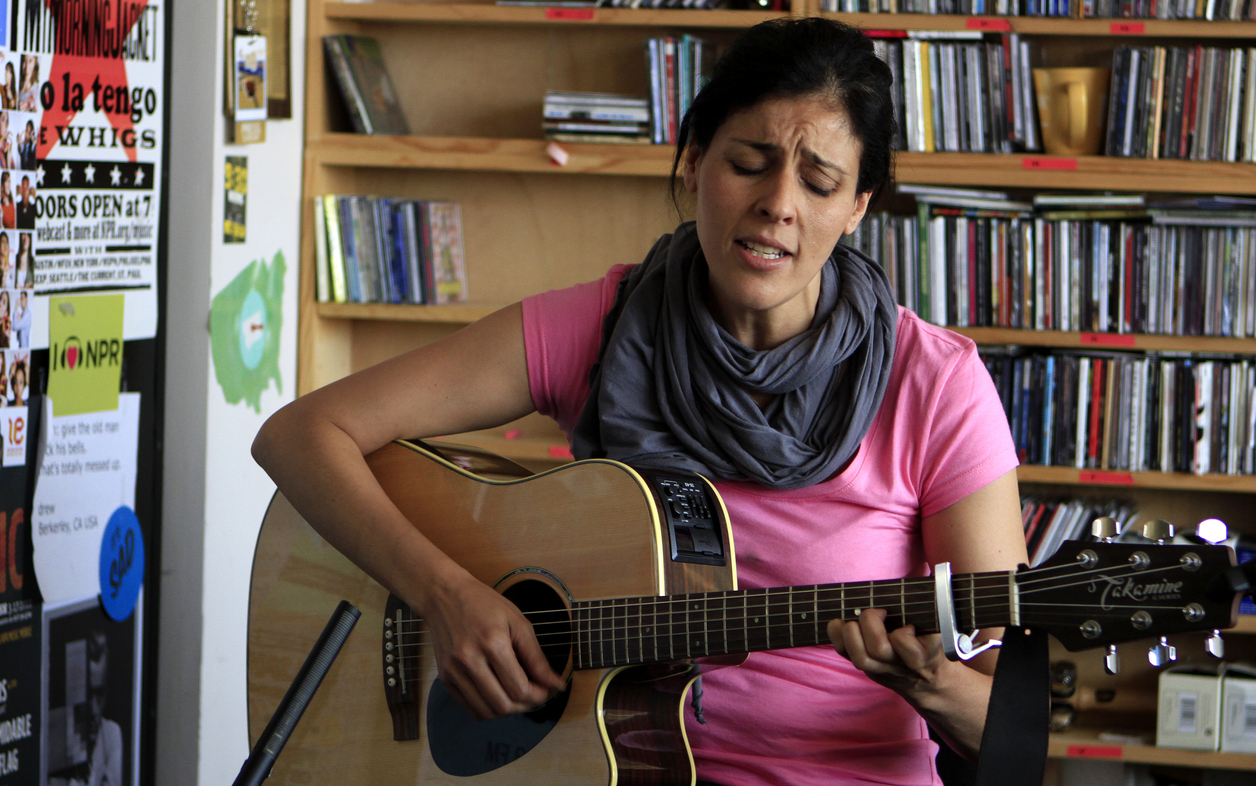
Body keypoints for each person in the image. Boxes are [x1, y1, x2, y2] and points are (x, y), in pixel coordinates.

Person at [253, 18, 1025, 786]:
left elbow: (1013, 741)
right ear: (693, 161)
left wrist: (932, 685)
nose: (778, 203)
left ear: (858, 205)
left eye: (819, 182)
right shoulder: (604, 327)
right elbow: (300, 434)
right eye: (749, 163)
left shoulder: (936, 385)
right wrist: (445, 593)